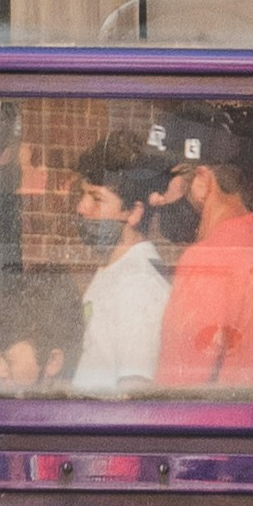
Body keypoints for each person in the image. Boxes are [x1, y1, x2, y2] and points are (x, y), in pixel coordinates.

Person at [149, 118, 253, 392]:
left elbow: (178, 392)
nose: (156, 199)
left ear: (203, 181)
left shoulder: (208, 258)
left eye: (169, 180)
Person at [65, 131, 175, 394]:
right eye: (83, 195)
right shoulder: (117, 268)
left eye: (97, 198)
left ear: (134, 213)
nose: (82, 207)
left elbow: (134, 391)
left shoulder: (138, 286)